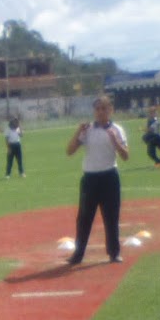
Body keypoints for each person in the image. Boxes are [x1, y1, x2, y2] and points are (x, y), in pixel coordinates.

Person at [65, 95, 130, 265]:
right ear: (94, 111)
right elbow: (70, 151)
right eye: (98, 109)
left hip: (109, 176)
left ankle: (114, 252)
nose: (101, 112)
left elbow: (125, 156)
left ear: (110, 110)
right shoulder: (87, 130)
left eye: (104, 108)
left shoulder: (117, 129)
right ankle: (78, 254)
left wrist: (116, 141)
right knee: (84, 217)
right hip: (90, 178)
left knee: (111, 216)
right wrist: (78, 132)